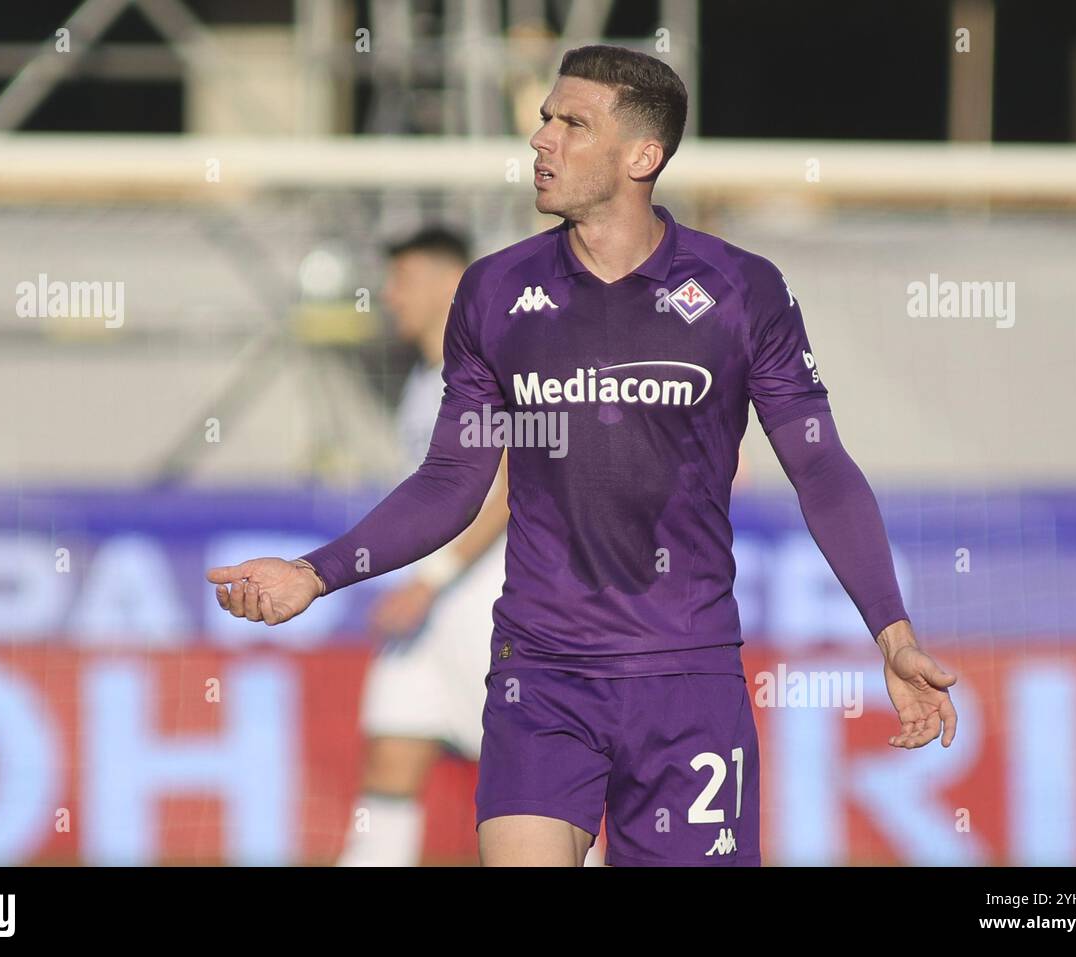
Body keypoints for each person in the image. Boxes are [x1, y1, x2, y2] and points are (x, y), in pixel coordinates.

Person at [208, 44, 958, 867]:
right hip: (541, 672)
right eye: (544, 119)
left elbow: (820, 468)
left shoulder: (744, 291)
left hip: (687, 677)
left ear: (644, 156)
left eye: (573, 123)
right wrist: (315, 573)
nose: (543, 140)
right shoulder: (494, 293)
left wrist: (890, 633)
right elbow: (453, 480)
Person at [335, 227, 509, 867]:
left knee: (531, 788)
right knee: (391, 752)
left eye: (402, 280)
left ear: (449, 283)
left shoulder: (490, 367)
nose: (389, 296)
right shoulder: (420, 382)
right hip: (428, 612)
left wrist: (431, 579)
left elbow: (514, 486)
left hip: (489, 605)